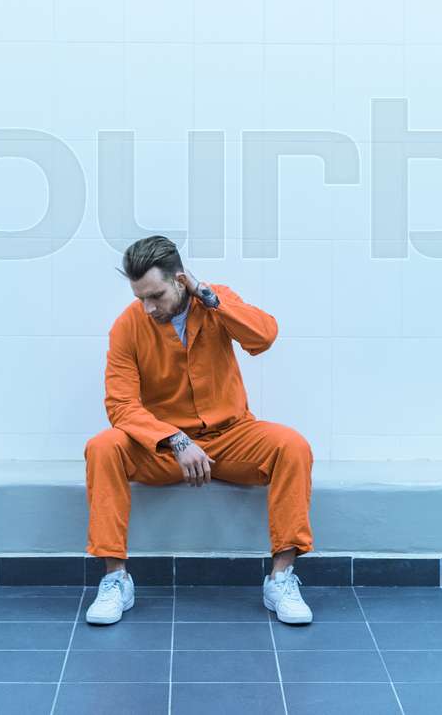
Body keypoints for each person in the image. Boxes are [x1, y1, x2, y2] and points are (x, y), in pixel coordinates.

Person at [83, 235, 315, 626]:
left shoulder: (214, 300)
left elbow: (264, 337)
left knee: (292, 446)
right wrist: (175, 439)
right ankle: (115, 579)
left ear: (180, 280)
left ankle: (281, 577)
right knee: (102, 447)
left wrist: (210, 297)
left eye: (156, 295)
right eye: (141, 297)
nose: (149, 306)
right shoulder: (128, 325)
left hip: (230, 437)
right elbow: (120, 405)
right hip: (165, 448)